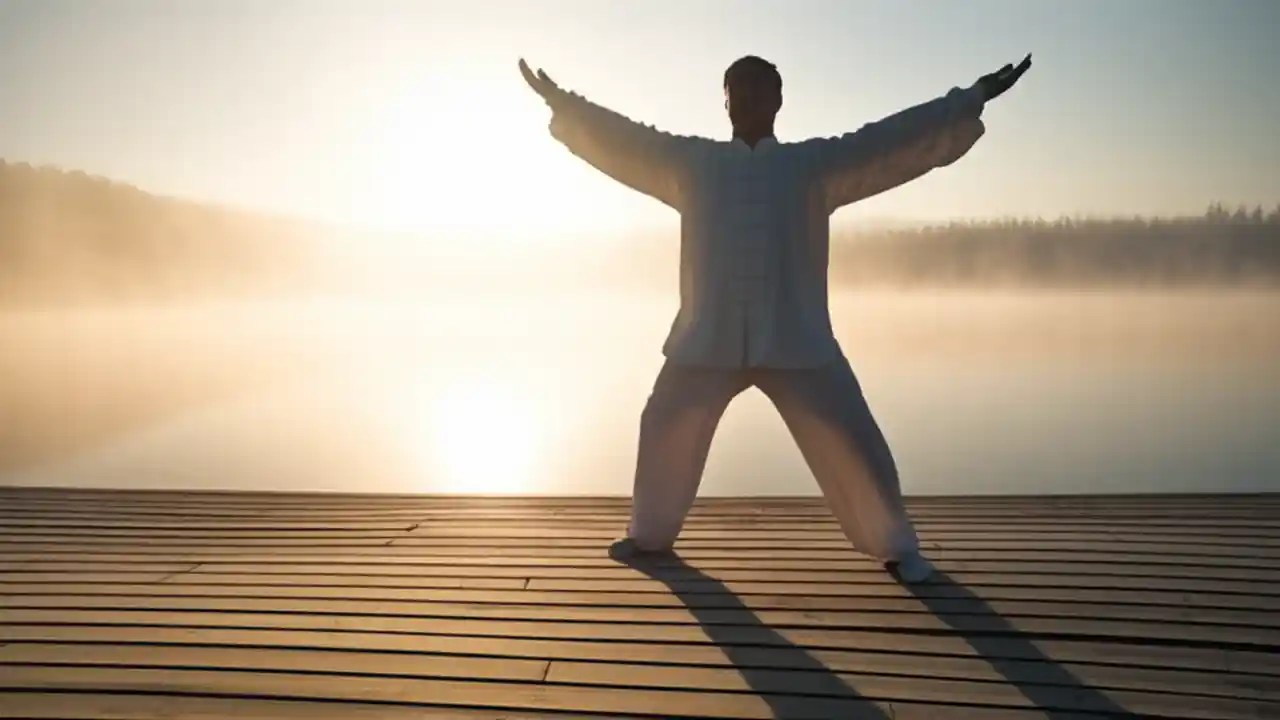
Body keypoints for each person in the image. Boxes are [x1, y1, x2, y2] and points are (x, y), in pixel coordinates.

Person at [519, 53, 1031, 583]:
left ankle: (897, 546)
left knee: (856, 439)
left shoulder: (809, 167)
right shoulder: (695, 164)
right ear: (725, 100)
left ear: (778, 100)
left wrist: (971, 98)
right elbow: (627, 138)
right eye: (737, 92)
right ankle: (649, 536)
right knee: (664, 423)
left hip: (797, 339)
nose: (746, 101)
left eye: (758, 92)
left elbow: (887, 140)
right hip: (708, 338)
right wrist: (564, 102)